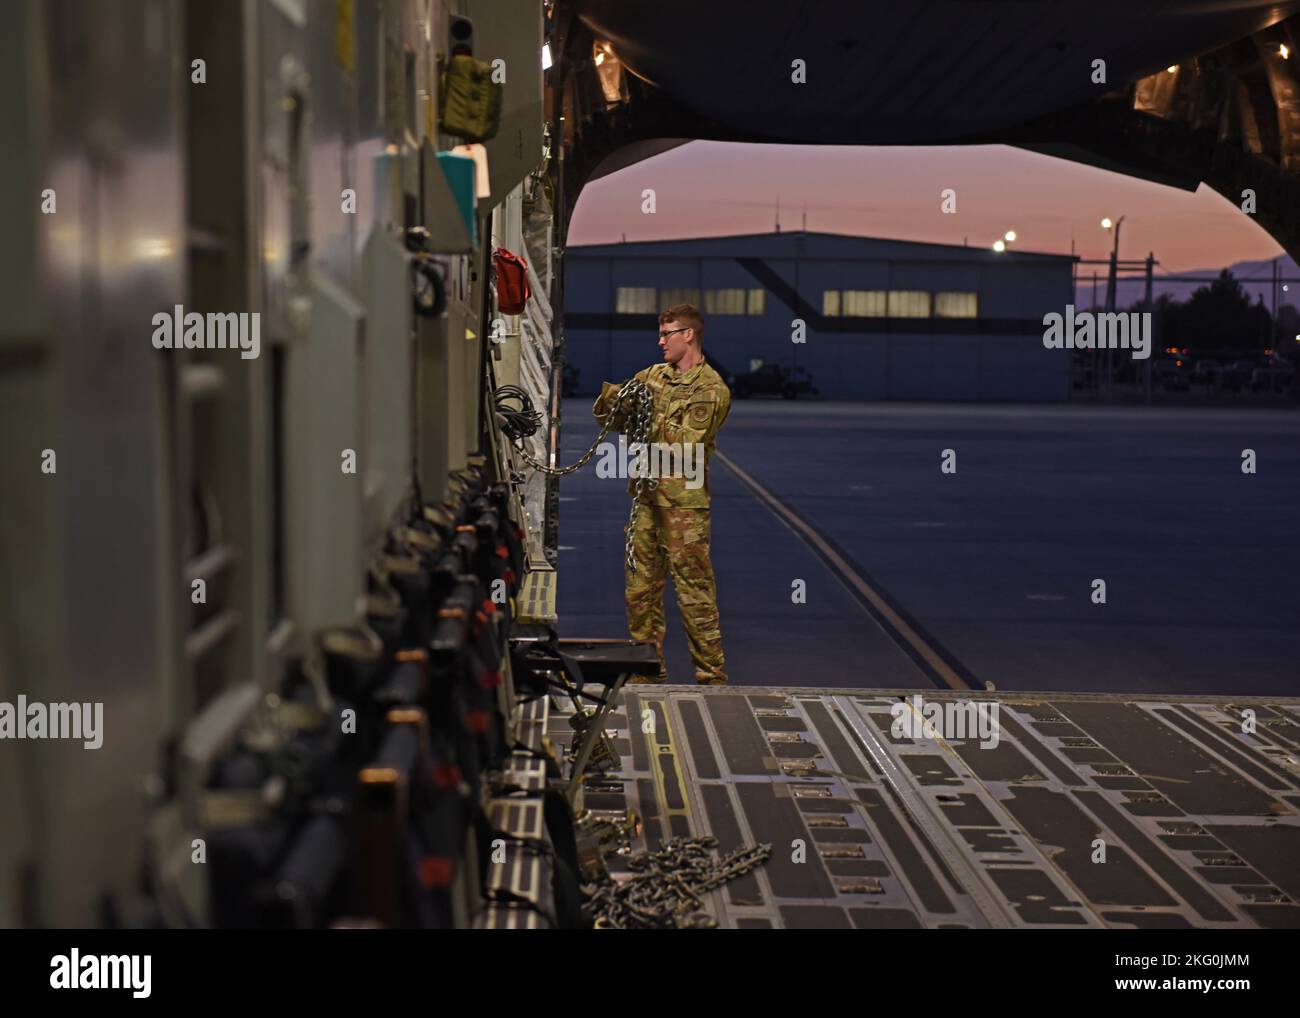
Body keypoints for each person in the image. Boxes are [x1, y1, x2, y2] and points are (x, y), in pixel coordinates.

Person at [592, 304, 731, 684]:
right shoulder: (652, 376)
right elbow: (612, 418)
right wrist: (616, 398)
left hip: (684, 507)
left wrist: (646, 417)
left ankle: (710, 674)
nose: (660, 342)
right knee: (640, 591)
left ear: (689, 335)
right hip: (646, 501)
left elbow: (686, 444)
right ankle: (645, 671)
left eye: (667, 334)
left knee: (694, 593)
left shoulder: (711, 388)